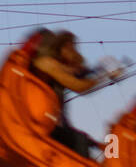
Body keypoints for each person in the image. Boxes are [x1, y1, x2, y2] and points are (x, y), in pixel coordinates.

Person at [30, 29, 122, 158]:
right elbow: (79, 87)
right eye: (72, 47)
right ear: (64, 46)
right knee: (79, 140)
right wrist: (104, 75)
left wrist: (95, 71)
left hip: (50, 122)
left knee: (85, 140)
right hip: (40, 122)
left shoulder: (55, 65)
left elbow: (75, 72)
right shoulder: (46, 63)